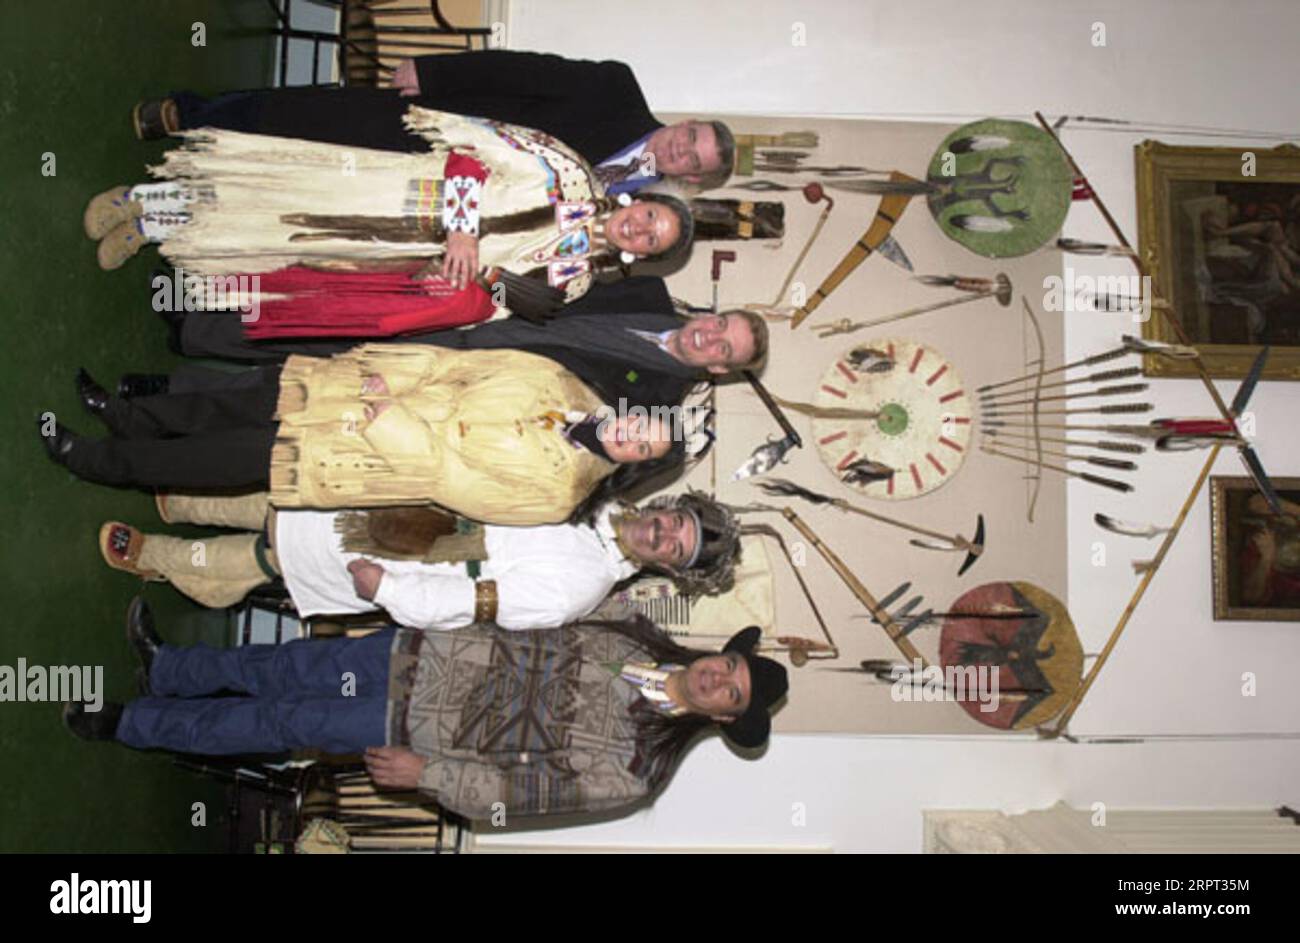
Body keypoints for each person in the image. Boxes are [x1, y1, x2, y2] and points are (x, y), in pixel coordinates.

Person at [64, 599, 788, 822]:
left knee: (274, 724)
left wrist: (430, 772)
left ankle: (130, 722)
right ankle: (168, 665)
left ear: (724, 718)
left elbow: (518, 793)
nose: (720, 677)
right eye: (731, 664)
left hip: (411, 730)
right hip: (417, 654)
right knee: (279, 663)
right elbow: (534, 609)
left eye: (733, 692)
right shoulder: (631, 628)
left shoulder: (634, 771)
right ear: (721, 651)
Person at [85, 109, 695, 340]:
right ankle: (137, 197)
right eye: (650, 216)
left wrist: (483, 277)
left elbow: (503, 303)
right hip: (397, 194)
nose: (640, 230)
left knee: (272, 243)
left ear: (644, 256)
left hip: (391, 260)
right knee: (269, 193)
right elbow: (472, 142)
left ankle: (155, 231)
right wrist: (462, 226)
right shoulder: (565, 167)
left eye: (652, 240)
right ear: (639, 202)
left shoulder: (576, 280)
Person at [41, 345, 688, 527]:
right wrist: (380, 372)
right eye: (642, 421)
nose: (630, 431)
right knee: (212, 407)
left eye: (642, 445)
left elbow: (447, 479)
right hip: (345, 389)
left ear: (636, 466)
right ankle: (124, 416)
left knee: (206, 459)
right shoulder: (560, 380)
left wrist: (386, 415)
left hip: (353, 453)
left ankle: (93, 457)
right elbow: (455, 363)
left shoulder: (556, 494)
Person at [96, 490, 740, 629]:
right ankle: (186, 502)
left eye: (674, 547)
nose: (661, 533)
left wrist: (391, 593)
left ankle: (166, 557)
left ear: (670, 570)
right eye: (673, 521)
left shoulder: (581, 587)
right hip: (414, 492)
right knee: (290, 503)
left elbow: (480, 606)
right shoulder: (601, 492)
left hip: (422, 562)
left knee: (280, 555)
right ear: (669, 506)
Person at [140, 276, 770, 415]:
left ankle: (163, 391)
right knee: (324, 322)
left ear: (718, 369)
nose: (710, 335)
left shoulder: (654, 402)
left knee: (306, 384)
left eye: (724, 347)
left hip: (454, 380)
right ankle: (194, 326)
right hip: (464, 307)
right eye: (723, 323)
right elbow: (560, 275)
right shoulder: (648, 289)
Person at [132, 50, 735, 194]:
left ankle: (189, 185)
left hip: (434, 204)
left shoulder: (637, 214)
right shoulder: (616, 89)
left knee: (307, 181)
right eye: (691, 137)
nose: (681, 152)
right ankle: (191, 114)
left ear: (693, 179)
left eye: (693, 161)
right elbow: (523, 72)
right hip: (435, 125)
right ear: (684, 123)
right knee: (307, 120)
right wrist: (439, 74)